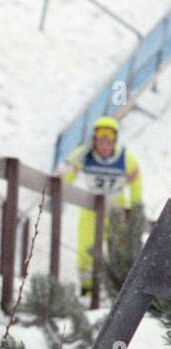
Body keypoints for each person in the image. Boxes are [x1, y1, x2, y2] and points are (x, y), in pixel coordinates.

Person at [60, 115, 142, 296]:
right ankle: (88, 289)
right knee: (87, 249)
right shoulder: (85, 156)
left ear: (114, 140)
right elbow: (64, 178)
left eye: (109, 140)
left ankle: (118, 291)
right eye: (100, 139)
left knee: (119, 251)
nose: (104, 145)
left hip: (116, 211)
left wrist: (136, 210)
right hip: (91, 210)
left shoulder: (125, 158)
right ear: (94, 139)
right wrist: (75, 158)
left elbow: (137, 185)